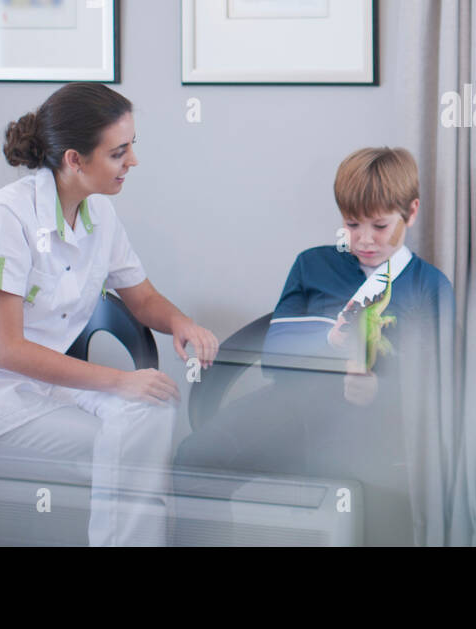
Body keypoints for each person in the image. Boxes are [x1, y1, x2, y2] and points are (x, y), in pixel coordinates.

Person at [0, 82, 219, 546]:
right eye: (119, 153)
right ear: (75, 160)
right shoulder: (4, 218)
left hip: (44, 390)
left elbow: (140, 298)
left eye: (131, 147)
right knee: (126, 446)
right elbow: (7, 351)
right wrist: (119, 380)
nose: (132, 162)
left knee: (153, 408)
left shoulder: (98, 214)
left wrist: (182, 323)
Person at [174, 147, 455, 546]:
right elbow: (275, 357)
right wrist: (327, 343)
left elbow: (437, 388)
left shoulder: (429, 286)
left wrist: (380, 390)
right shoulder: (312, 265)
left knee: (375, 501)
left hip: (372, 428)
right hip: (290, 410)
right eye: (352, 224)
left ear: (410, 212)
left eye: (379, 225)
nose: (364, 240)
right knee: (194, 457)